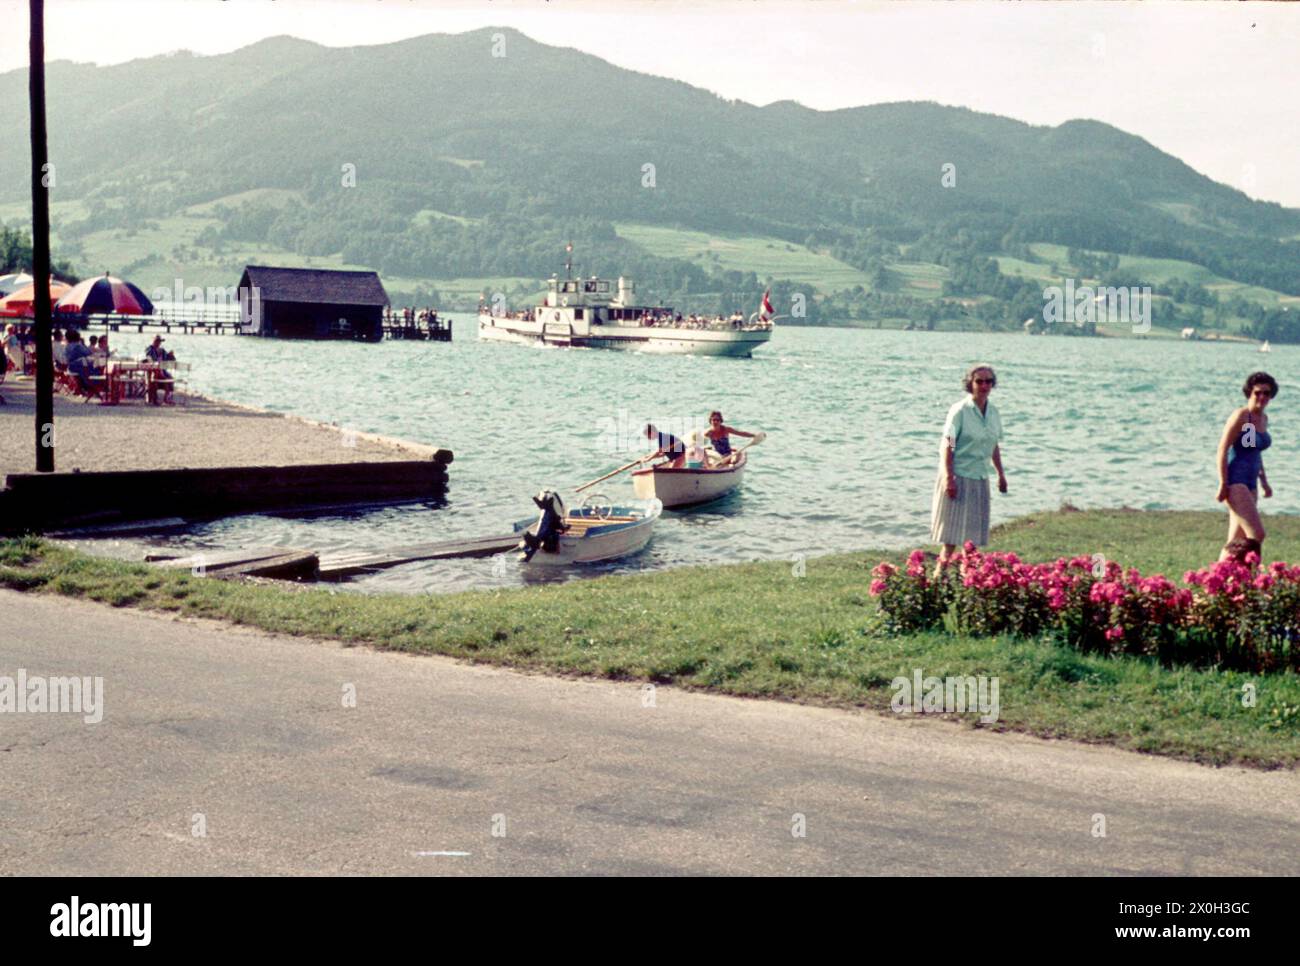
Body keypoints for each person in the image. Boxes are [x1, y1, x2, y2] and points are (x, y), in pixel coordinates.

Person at [931, 364, 1008, 571]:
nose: (984, 385)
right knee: (951, 537)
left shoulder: (993, 413)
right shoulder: (960, 411)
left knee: (972, 538)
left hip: (980, 477)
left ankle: (970, 579)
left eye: (988, 381)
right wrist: (948, 477)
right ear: (970, 384)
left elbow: (993, 445)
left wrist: (1001, 474)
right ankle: (940, 576)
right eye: (979, 381)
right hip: (959, 476)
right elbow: (949, 444)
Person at [1217, 371, 1277, 563]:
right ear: (1249, 393)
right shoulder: (1242, 416)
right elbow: (1223, 449)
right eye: (1258, 392)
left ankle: (1217, 581)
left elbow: (1253, 451)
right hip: (1236, 482)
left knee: (1236, 541)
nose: (1262, 397)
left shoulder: (1260, 419)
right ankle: (1251, 580)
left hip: (1251, 484)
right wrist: (1223, 483)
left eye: (1266, 393)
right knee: (1257, 534)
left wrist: (1264, 482)